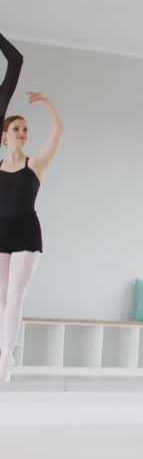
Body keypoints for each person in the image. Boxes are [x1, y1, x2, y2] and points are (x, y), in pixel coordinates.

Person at [0, 92, 63, 382]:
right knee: (1, 297)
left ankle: (5, 356)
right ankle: (3, 350)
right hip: (1, 232)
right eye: (16, 128)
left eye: (25, 129)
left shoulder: (35, 164)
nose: (22, 133)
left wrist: (47, 102)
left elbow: (58, 130)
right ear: (5, 135)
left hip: (26, 232)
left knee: (15, 295)